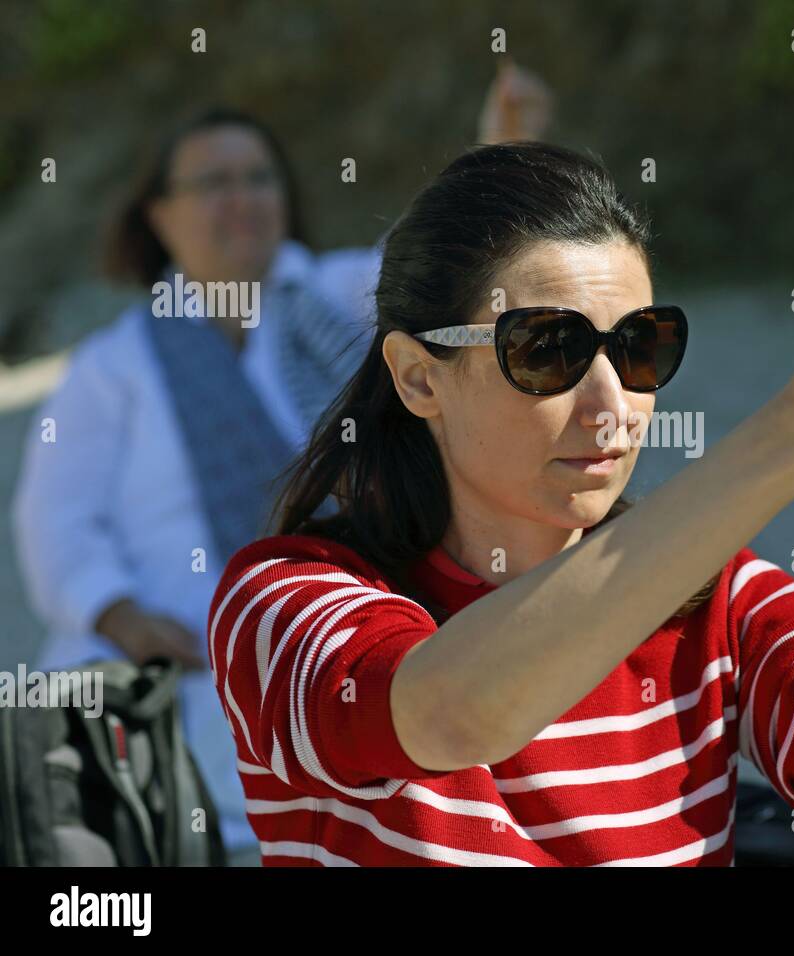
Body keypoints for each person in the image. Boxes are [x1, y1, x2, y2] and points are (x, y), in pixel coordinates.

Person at [207, 140, 794, 866]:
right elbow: (452, 714)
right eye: (548, 350)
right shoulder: (287, 599)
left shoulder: (716, 599)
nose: (612, 404)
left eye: (641, 347)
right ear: (417, 379)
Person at [11, 68, 553, 865]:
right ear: (160, 215)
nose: (242, 197)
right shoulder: (109, 366)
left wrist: (503, 141)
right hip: (177, 664)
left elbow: (449, 257)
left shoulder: (337, 297)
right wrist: (118, 613)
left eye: (258, 177)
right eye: (214, 182)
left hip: (334, 647)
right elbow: (54, 519)